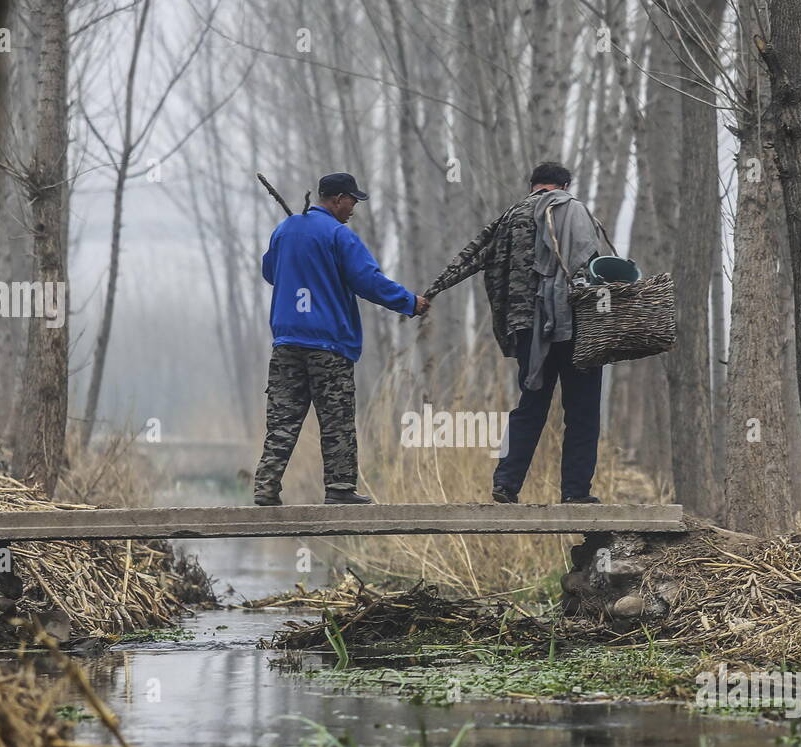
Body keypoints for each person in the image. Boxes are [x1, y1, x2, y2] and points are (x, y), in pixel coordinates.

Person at [425, 161, 604, 504]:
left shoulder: (509, 217)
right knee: (582, 412)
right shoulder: (572, 209)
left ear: (533, 185)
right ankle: (575, 493)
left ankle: (506, 483)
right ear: (564, 185)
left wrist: (430, 293)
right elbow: (588, 263)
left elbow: (469, 258)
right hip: (572, 327)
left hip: (526, 330)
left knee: (530, 406)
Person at [253, 172, 429, 506]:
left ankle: (265, 486)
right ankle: (339, 488)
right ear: (337, 199)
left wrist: (300, 258)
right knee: (337, 419)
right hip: (328, 345)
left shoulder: (285, 229)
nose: (353, 208)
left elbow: (270, 272)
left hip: (287, 342)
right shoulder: (338, 234)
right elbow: (368, 281)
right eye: (352, 201)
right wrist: (409, 302)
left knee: (282, 418)